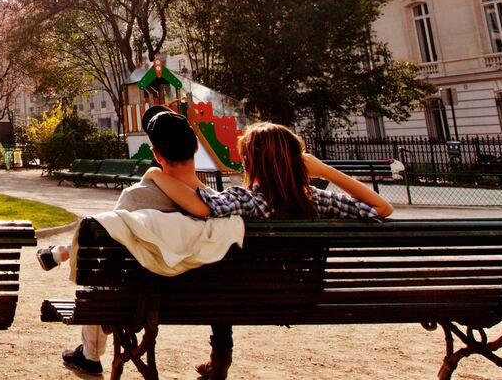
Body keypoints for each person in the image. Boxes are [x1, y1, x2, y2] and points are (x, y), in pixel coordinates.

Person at [143, 122, 393, 379]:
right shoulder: (316, 199)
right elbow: (382, 209)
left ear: (250, 163)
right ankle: (219, 358)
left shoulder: (245, 199)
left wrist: (155, 174)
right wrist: (325, 171)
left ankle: (220, 356)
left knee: (220, 269)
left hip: (246, 299)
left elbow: (201, 207)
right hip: (303, 295)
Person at [45, 105, 228, 377]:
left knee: (101, 270)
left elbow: (106, 257)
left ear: (155, 154)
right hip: (207, 299)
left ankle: (90, 355)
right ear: (195, 149)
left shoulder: (136, 198)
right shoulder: (218, 203)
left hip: (142, 300)